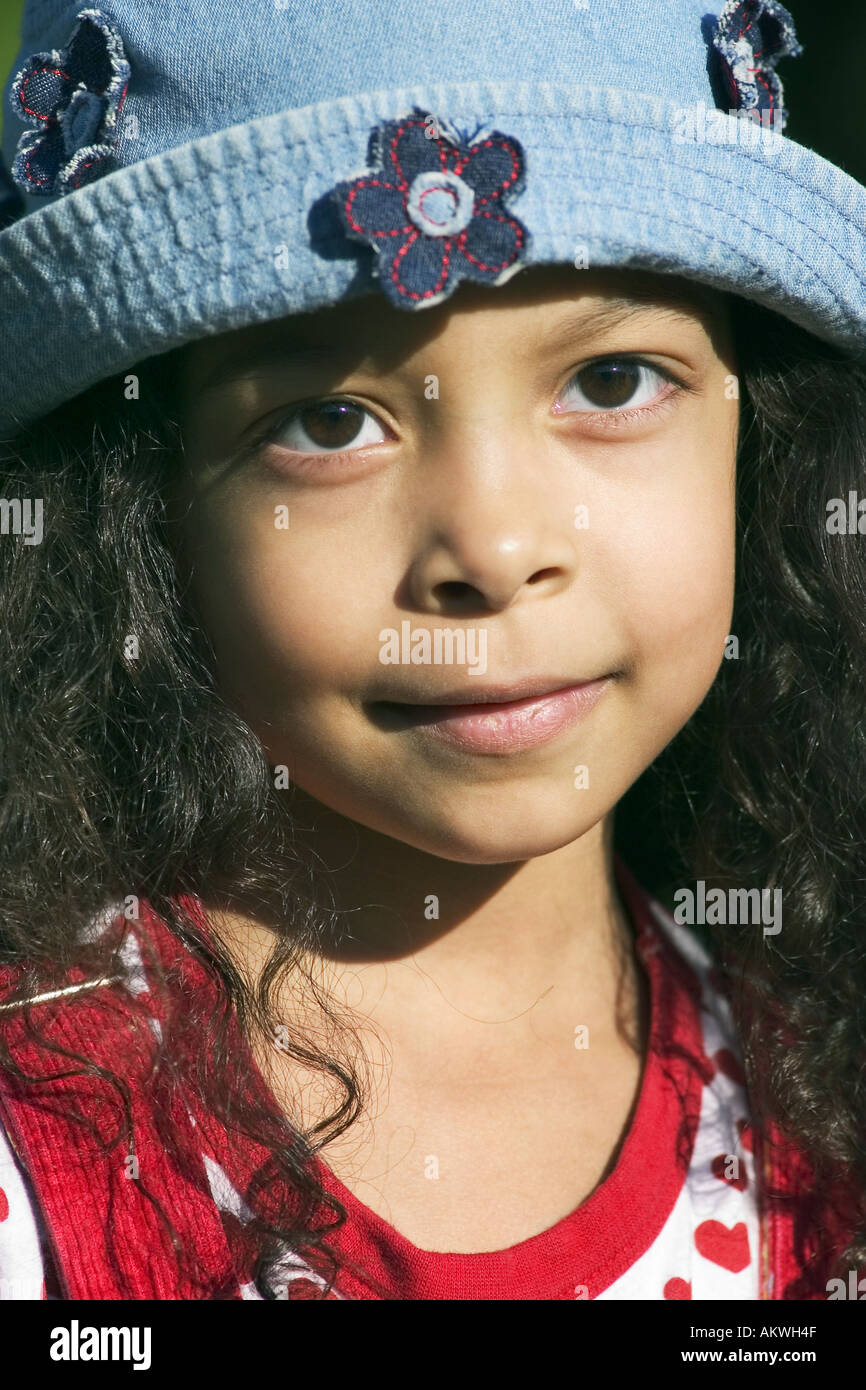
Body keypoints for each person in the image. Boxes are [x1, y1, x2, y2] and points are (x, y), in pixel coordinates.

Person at [0, 0, 863, 1302]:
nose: (498, 548)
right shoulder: (35, 1165)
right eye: (331, 419)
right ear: (142, 507)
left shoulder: (828, 1111)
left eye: (613, 382)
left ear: (761, 444)